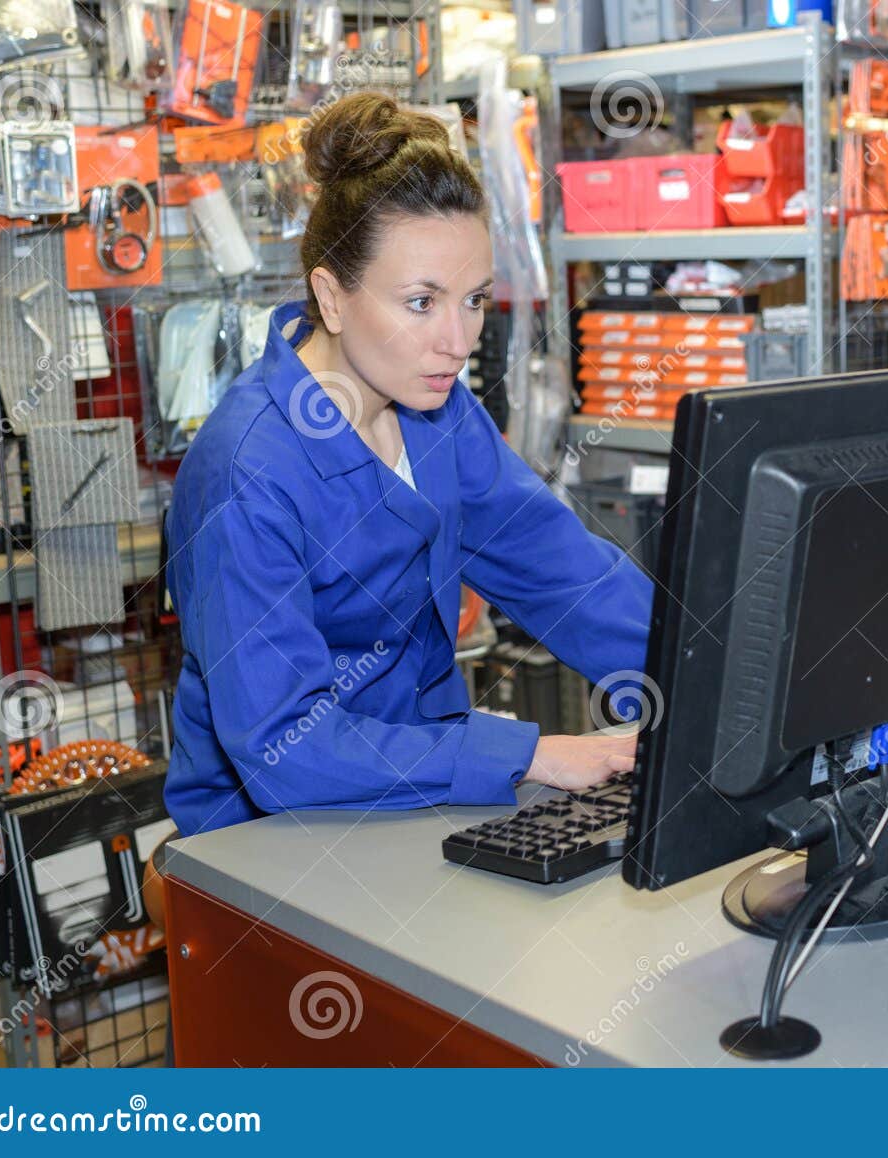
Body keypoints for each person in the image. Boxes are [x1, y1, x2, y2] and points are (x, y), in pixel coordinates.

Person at [163, 95, 650, 837]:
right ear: (331, 295)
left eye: (475, 300)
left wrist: (728, 666)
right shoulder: (247, 473)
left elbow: (566, 576)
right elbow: (283, 750)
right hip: (268, 839)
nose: (457, 341)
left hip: (431, 794)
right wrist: (530, 754)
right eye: (421, 302)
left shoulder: (439, 412)